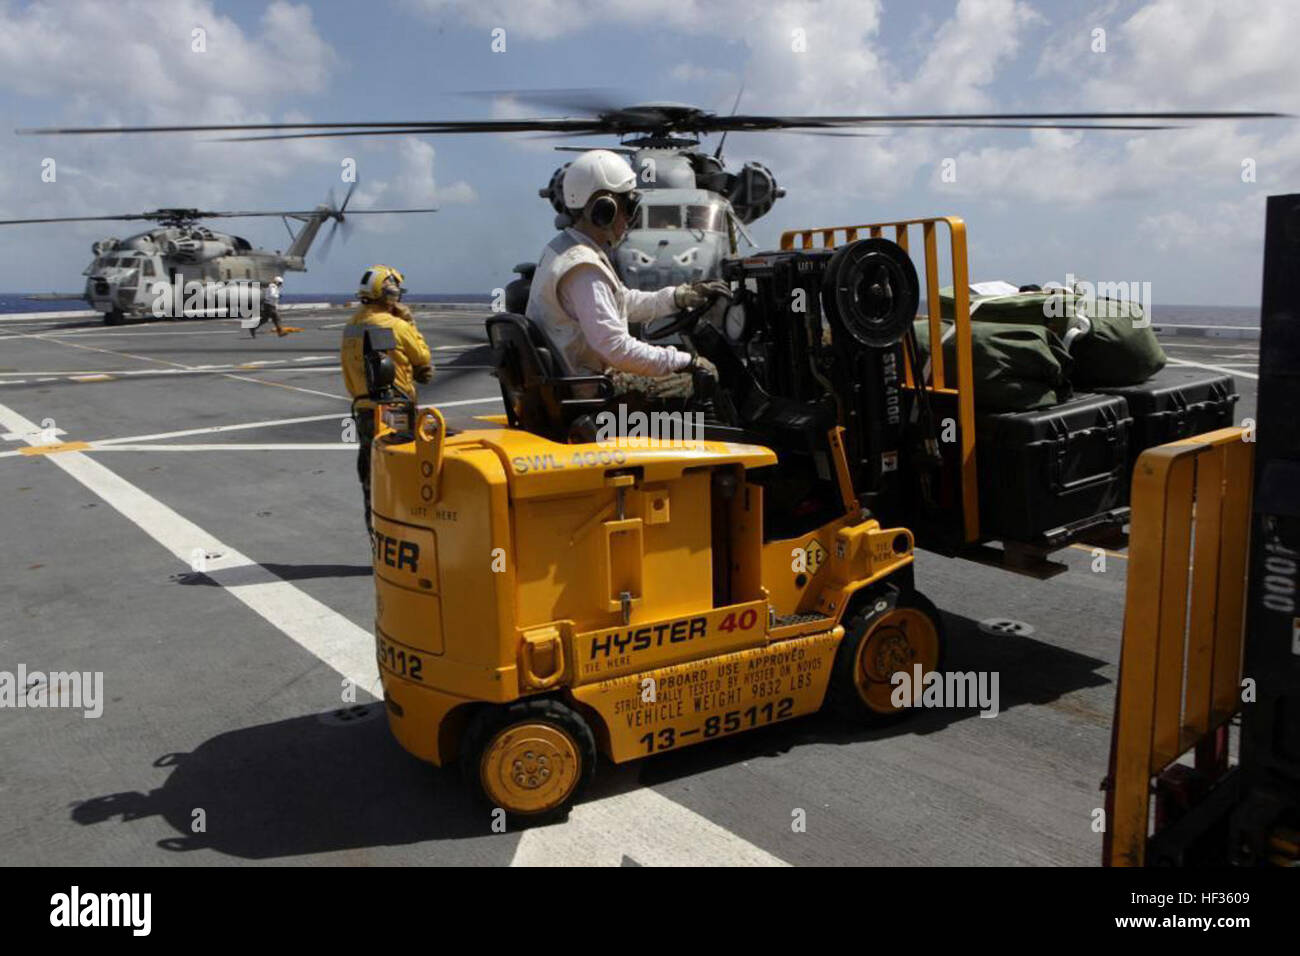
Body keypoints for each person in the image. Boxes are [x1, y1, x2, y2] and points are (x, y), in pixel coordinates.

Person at [525, 149, 730, 400]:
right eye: (630, 206)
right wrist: (687, 360)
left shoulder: (565, 249)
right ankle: (700, 438)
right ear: (605, 210)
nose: (630, 218)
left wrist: (678, 297)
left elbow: (623, 301)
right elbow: (616, 348)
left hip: (575, 384)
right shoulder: (583, 268)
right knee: (706, 377)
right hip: (592, 392)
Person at [340, 265, 433, 531]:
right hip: (396, 413)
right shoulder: (396, 325)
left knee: (372, 485)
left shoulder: (351, 326)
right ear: (390, 294)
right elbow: (422, 357)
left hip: (365, 414)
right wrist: (409, 321)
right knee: (403, 481)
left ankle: (377, 541)